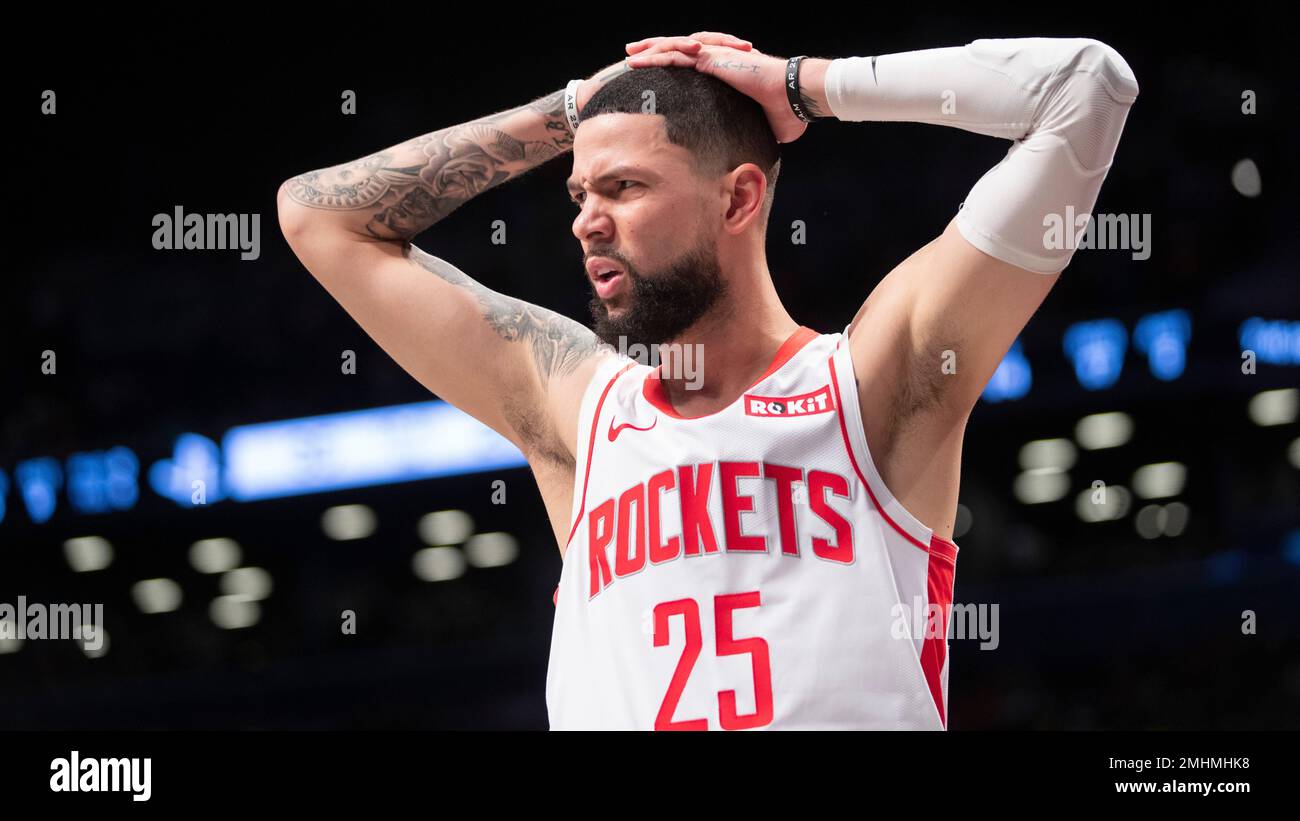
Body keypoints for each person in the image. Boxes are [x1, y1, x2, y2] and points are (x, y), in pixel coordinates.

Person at [277, 31, 1139, 729]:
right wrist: (578, 104)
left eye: (622, 186)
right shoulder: (576, 409)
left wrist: (804, 86)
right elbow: (317, 216)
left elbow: (1086, 86)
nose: (586, 221)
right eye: (579, 193)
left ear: (738, 200)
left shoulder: (873, 382)